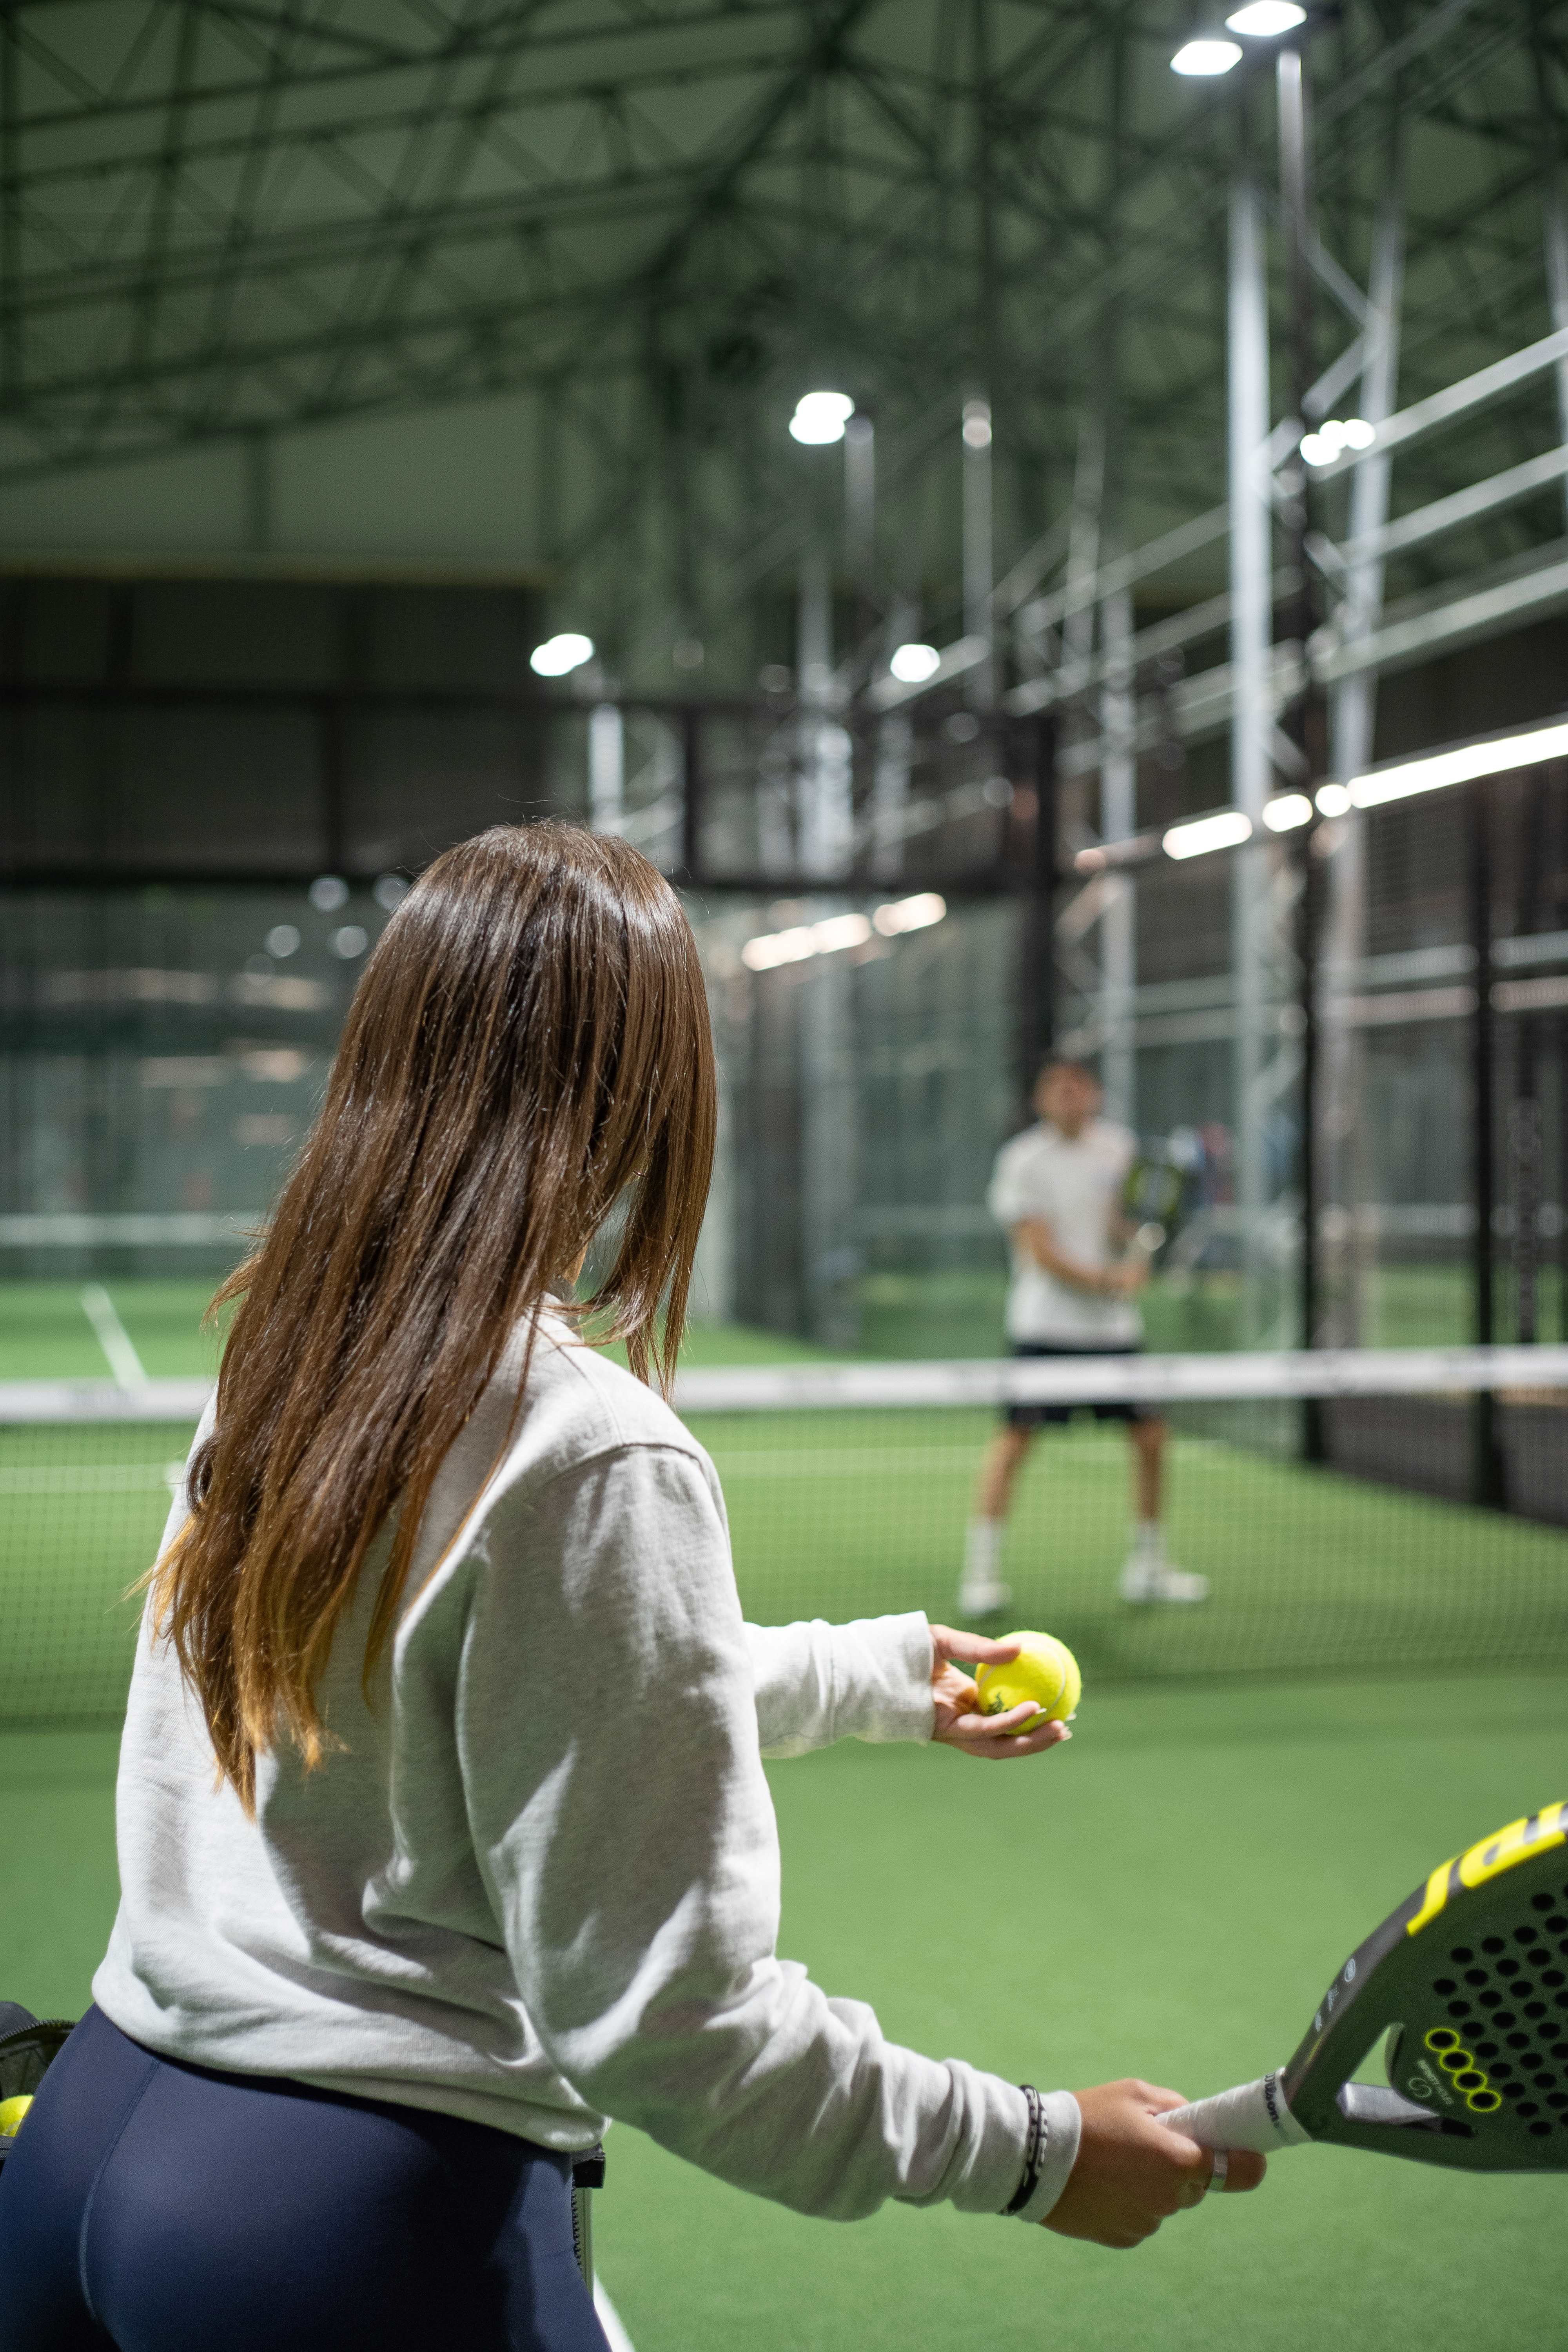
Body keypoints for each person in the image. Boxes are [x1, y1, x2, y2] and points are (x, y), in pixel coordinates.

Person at [0, 828, 1259, 2352]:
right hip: (353, 2219)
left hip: (90, 2138)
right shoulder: (593, 1448)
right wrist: (1040, 2155)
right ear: (639, 1092)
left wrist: (864, 1675)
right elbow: (675, 2033)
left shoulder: (287, 1355)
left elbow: (484, 1694)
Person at [959, 1058, 1208, 1619]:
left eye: (1079, 1088)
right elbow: (1038, 1247)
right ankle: (981, 1574)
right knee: (1015, 1443)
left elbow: (1128, 1220)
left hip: (1113, 1331)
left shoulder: (1119, 1150)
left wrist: (1136, 1251)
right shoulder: (1023, 1160)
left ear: (1093, 1094)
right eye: (1058, 1089)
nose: (1069, 1098)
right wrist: (1106, 1278)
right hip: (1044, 1327)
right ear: (1044, 1098)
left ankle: (1148, 1567)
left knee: (1150, 1438)